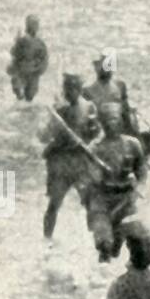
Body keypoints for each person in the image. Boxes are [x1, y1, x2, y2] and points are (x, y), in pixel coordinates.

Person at [85, 103, 147, 263]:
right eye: (107, 120)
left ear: (120, 121)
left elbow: (141, 171)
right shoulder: (95, 148)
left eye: (114, 119)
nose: (111, 124)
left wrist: (138, 186)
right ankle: (101, 277)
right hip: (102, 200)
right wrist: (102, 173)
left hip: (126, 199)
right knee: (104, 243)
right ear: (101, 123)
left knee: (123, 244)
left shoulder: (133, 144)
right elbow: (93, 176)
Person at [38, 72, 98, 239]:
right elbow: (44, 136)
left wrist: (89, 144)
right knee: (54, 204)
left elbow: (96, 133)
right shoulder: (59, 111)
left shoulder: (89, 107)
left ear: (79, 89)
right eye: (67, 89)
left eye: (72, 89)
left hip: (81, 162)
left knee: (90, 203)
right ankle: (47, 239)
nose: (69, 92)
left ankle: (94, 240)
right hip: (61, 163)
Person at [7, 15, 48, 101]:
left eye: (36, 25)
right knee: (21, 94)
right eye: (33, 25)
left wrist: (40, 69)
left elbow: (44, 58)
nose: (35, 27)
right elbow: (14, 53)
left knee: (29, 96)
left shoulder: (39, 43)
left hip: (32, 72)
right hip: (22, 70)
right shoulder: (24, 41)